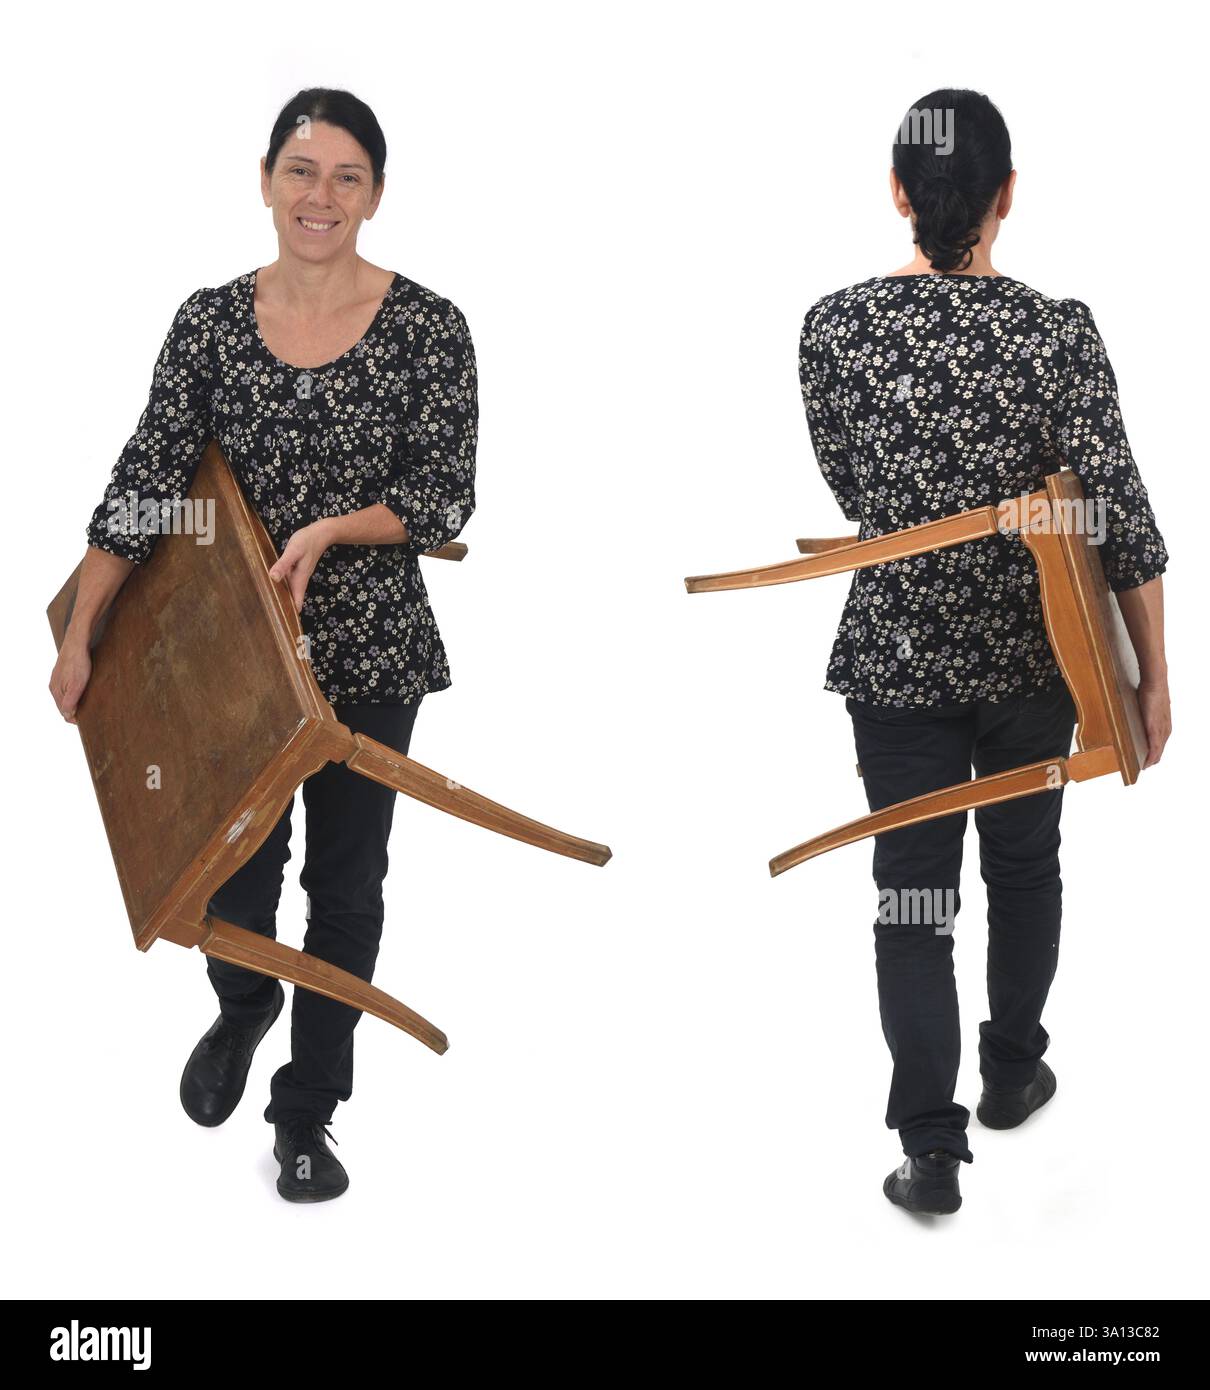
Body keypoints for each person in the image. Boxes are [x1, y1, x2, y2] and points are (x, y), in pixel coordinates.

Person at [48, 87, 478, 1203]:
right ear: (265, 178)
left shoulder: (430, 325)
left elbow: (442, 498)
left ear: (376, 194)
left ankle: (306, 1113)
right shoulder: (207, 321)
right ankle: (246, 1001)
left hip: (370, 649)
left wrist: (334, 530)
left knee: (346, 883)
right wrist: (84, 632)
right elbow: (147, 484)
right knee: (234, 872)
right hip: (227, 658)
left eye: (345, 176)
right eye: (301, 170)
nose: (320, 196)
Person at [798, 88, 1171, 1216]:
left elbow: (854, 485)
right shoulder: (1055, 329)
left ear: (899, 194)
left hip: (897, 663)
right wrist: (1152, 677)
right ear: (1007, 193)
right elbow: (1118, 516)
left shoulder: (831, 326)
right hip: (1032, 659)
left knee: (913, 898)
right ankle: (1010, 1070)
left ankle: (929, 1146)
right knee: (1023, 867)